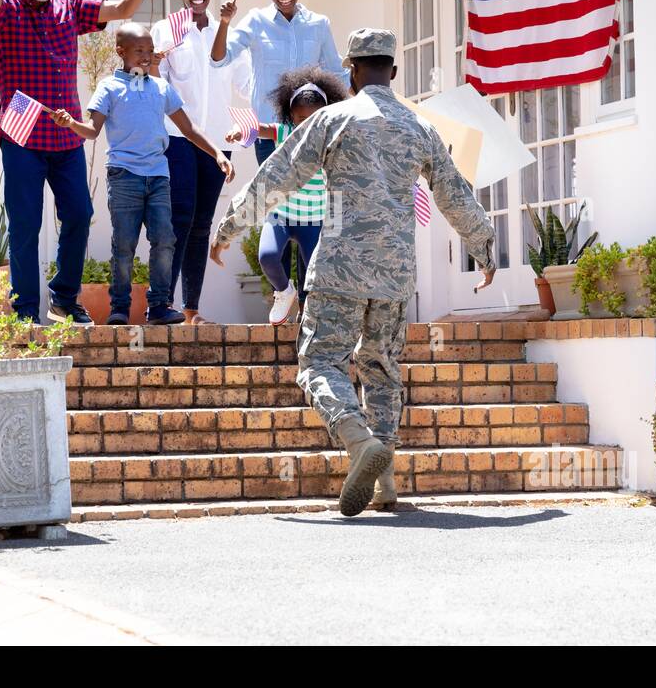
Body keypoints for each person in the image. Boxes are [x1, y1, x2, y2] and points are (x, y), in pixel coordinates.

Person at [210, 28, 495, 517]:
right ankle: (384, 484)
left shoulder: (332, 119)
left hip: (340, 266)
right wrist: (484, 248)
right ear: (395, 71)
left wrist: (229, 226)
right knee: (381, 371)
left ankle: (359, 443)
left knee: (319, 362)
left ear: (352, 71)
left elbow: (278, 176)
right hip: (395, 274)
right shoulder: (419, 128)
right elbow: (455, 193)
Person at [0, 0, 166, 324]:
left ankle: (63, 298)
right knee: (26, 223)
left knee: (80, 214)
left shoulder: (68, 5)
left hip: (66, 135)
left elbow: (122, 10)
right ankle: (26, 311)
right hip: (21, 134)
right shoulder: (8, 7)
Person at [54, 23, 233, 325]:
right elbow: (92, 131)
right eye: (140, 51)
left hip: (158, 176)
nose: (147, 57)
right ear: (121, 52)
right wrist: (70, 122)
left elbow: (188, 129)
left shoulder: (162, 88)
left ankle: (159, 305)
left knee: (165, 239)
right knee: (124, 244)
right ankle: (120, 308)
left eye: (150, 51)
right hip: (124, 176)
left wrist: (216, 153)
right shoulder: (109, 87)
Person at [210, 0, 346, 293]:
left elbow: (337, 73)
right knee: (278, 207)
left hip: (312, 135)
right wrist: (225, 22)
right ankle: (282, 295)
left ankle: (306, 298)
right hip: (271, 133)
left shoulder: (318, 24)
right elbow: (219, 59)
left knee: (311, 211)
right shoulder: (256, 22)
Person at [149, 0, 253, 324]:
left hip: (216, 142)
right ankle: (162, 306)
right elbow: (154, 81)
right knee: (179, 219)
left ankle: (192, 309)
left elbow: (246, 83)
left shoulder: (230, 33)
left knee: (202, 223)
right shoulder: (165, 30)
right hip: (178, 137)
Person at [224, 66, 347, 325]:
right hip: (281, 213)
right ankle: (284, 292)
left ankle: (309, 311)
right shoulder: (284, 132)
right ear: (291, 115)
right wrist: (241, 129)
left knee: (315, 275)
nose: (306, 125)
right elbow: (260, 128)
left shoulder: (330, 139)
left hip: (313, 218)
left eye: (313, 119)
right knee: (267, 256)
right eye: (300, 118)